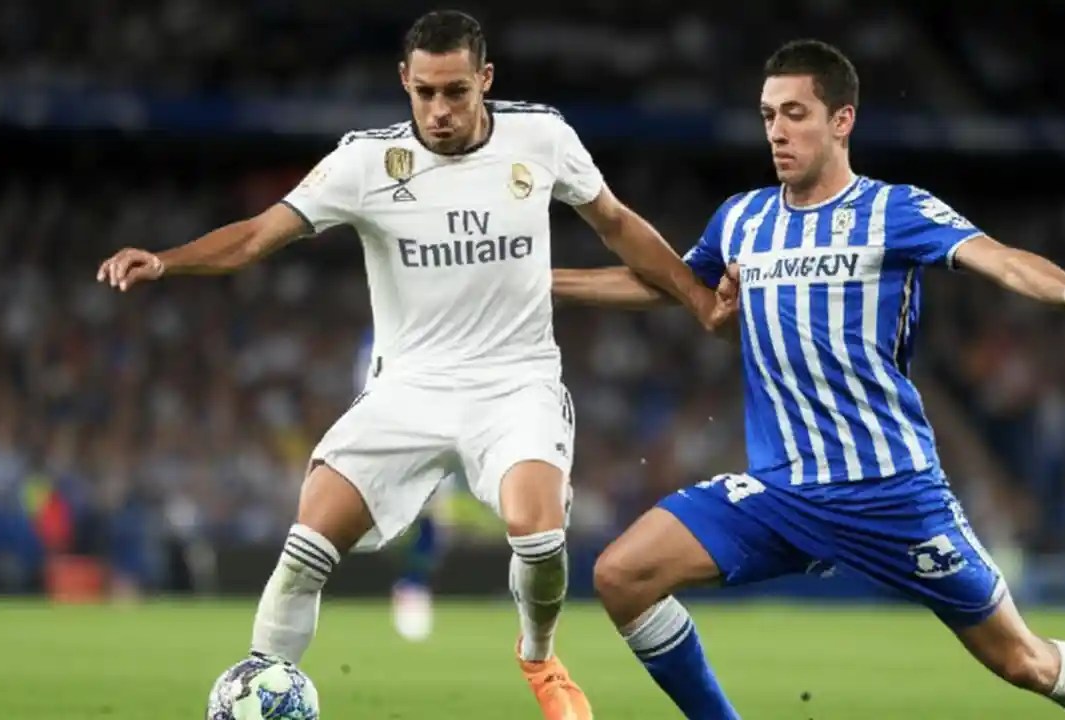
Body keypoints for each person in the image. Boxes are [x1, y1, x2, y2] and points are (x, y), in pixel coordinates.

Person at [96, 11, 726, 719]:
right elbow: (256, 237)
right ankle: (261, 687)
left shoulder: (541, 137)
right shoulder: (366, 162)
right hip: (408, 389)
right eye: (425, 92)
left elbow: (616, 224)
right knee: (306, 545)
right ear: (404, 82)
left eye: (456, 91)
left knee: (540, 533)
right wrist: (167, 261)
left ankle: (539, 656)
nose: (441, 110)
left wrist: (698, 298)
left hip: (514, 383)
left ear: (485, 80)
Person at [553, 39, 1065, 719]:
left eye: (795, 113)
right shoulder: (742, 219)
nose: (777, 131)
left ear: (841, 120)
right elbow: (664, 282)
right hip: (782, 490)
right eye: (767, 115)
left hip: (891, 493)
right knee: (621, 575)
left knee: (1023, 660)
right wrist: (541, 283)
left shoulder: (895, 211)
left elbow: (1002, 260)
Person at [355, 328, 445, 643]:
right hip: (388, 426)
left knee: (429, 507)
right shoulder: (378, 336)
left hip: (433, 428)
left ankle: (413, 585)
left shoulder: (438, 329)